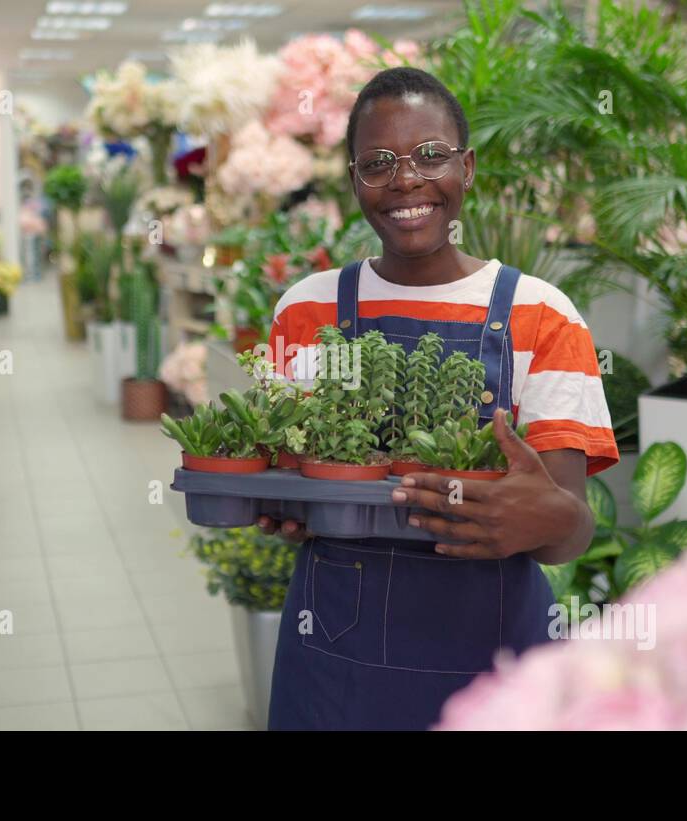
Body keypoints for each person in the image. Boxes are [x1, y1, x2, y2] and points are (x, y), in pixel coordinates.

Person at [263, 67, 620, 730]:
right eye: (378, 162)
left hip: (495, 672)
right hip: (333, 662)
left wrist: (550, 521)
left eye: (431, 155)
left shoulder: (543, 315)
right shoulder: (306, 309)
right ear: (353, 181)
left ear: (468, 166)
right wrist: (284, 505)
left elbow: (571, 526)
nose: (406, 180)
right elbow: (287, 474)